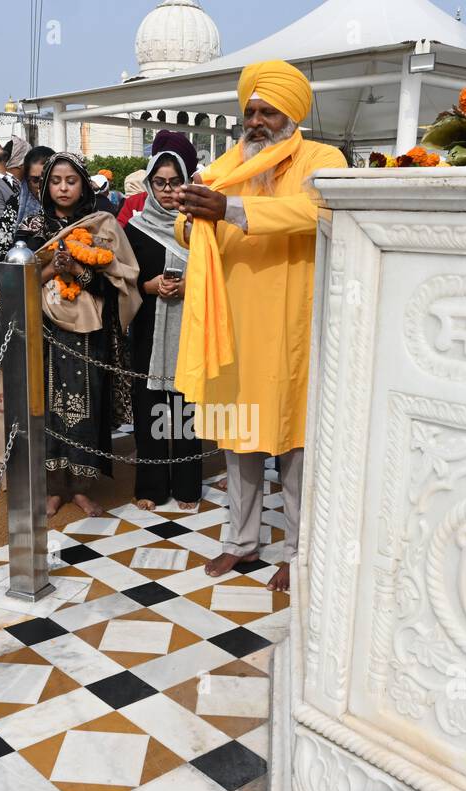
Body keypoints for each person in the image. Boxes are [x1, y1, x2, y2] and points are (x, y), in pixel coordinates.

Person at [176, 60, 349, 593]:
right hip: (233, 329)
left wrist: (230, 209)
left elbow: (318, 209)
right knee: (240, 440)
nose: (255, 120)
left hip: (294, 328)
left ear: (291, 113)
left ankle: (299, 552)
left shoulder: (323, 158)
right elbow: (186, 226)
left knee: (295, 448)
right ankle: (240, 542)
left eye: (266, 110)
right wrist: (192, 212)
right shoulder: (229, 162)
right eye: (249, 110)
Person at [10, 152, 139, 517]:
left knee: (88, 405)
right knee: (48, 408)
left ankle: (82, 488)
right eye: (55, 181)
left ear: (83, 184)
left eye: (71, 181)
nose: (63, 188)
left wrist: (80, 271)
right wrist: (54, 268)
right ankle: (53, 487)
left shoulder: (100, 224)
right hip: (45, 330)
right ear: (45, 185)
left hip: (88, 332)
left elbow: (111, 284)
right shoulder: (31, 227)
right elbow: (17, 278)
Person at [125, 146, 202, 511]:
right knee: (149, 408)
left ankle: (188, 486)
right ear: (150, 186)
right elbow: (122, 281)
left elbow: (216, 277)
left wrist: (190, 286)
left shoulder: (199, 228)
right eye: (160, 183)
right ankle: (152, 486)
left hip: (190, 326)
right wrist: (148, 287)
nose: (168, 191)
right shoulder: (134, 229)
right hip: (148, 328)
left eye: (175, 183)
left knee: (186, 409)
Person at [0, 144, 54, 259]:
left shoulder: (69, 205)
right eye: (35, 180)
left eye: (48, 179)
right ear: (26, 179)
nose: (42, 185)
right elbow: (1, 251)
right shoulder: (15, 204)